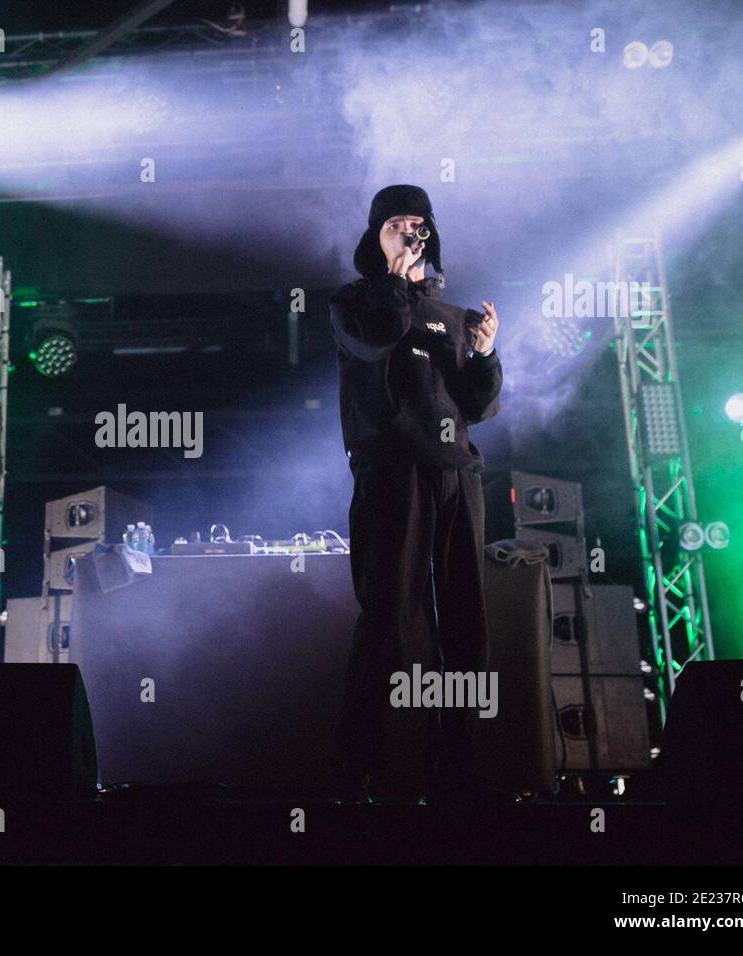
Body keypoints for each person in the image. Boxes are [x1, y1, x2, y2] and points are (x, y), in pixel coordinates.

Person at [329, 184, 502, 804]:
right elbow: (374, 340)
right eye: (395, 223)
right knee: (390, 616)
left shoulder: (452, 316)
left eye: (417, 223)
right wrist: (393, 284)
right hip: (392, 469)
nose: (409, 231)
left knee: (465, 618)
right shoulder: (354, 301)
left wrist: (483, 355)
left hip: (456, 471)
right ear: (375, 236)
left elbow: (477, 406)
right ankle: (360, 770)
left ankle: (458, 768)